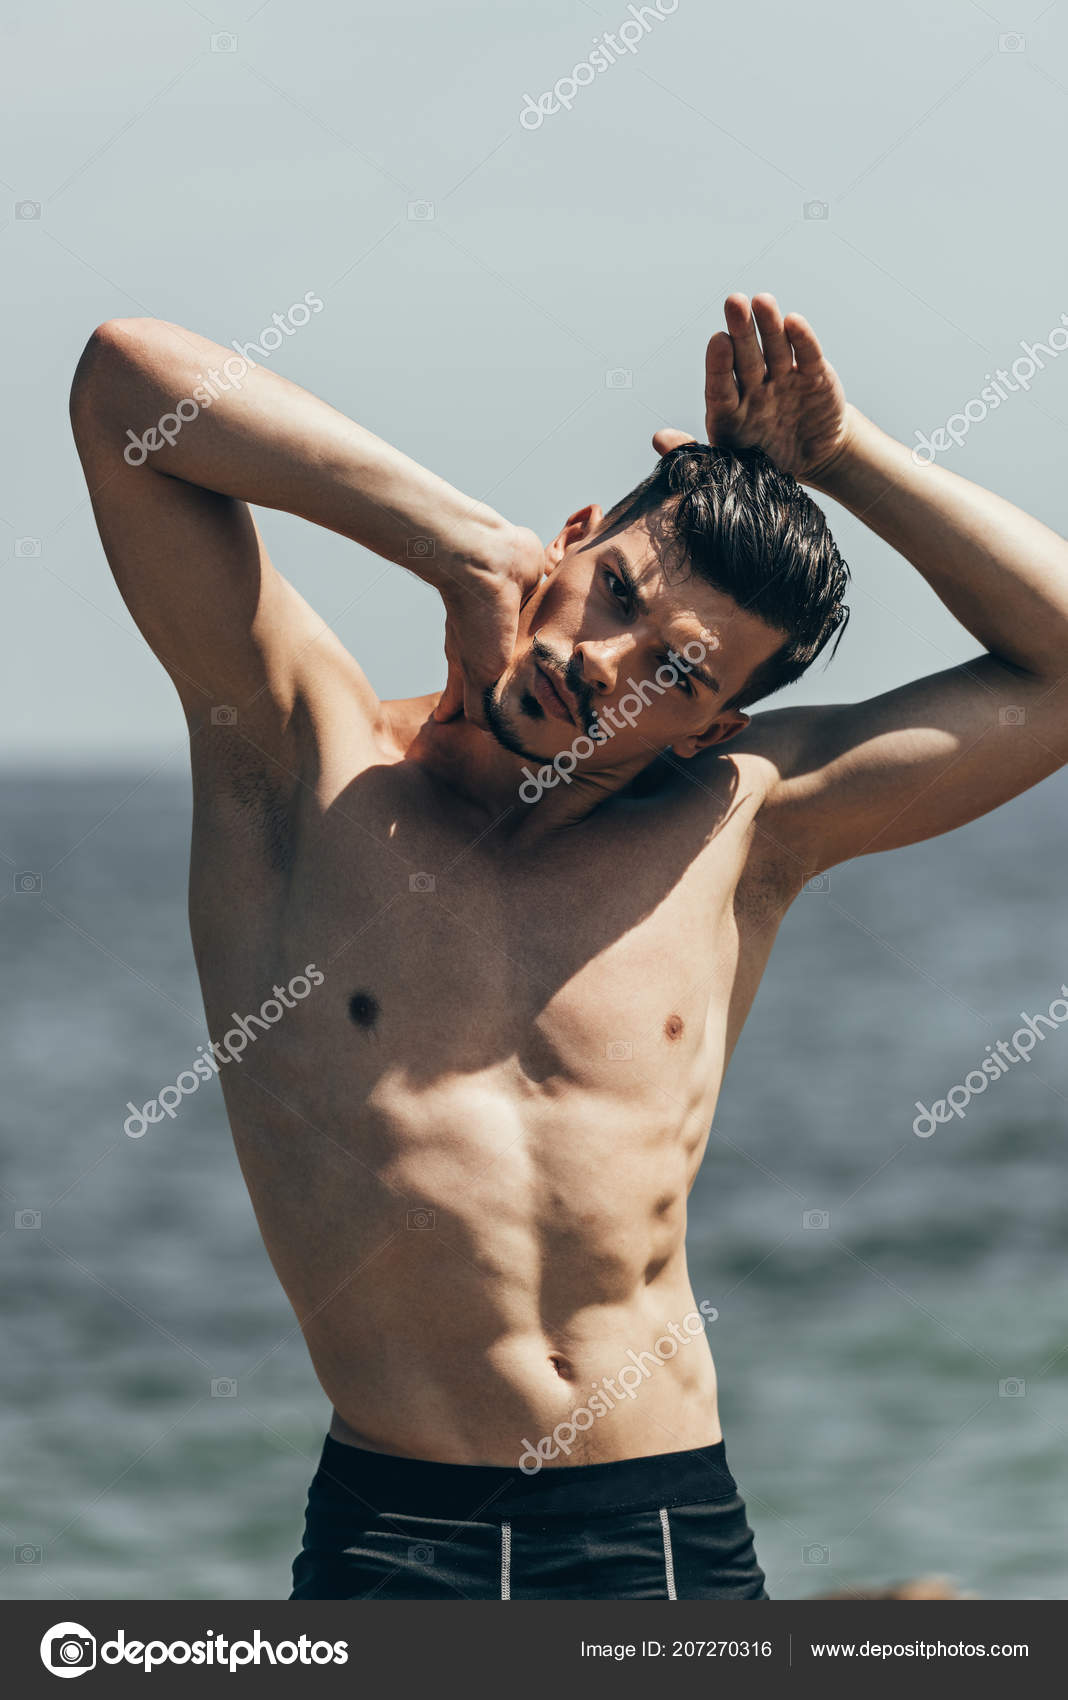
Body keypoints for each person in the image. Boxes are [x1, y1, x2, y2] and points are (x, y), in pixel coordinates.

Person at [69, 294, 1068, 1600]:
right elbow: (126, 387)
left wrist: (844, 455)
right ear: (577, 540)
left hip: (666, 1534)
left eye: (677, 671)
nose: (608, 662)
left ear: (709, 729)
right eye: (613, 595)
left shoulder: (742, 825)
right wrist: (455, 540)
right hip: (395, 1537)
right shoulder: (295, 755)